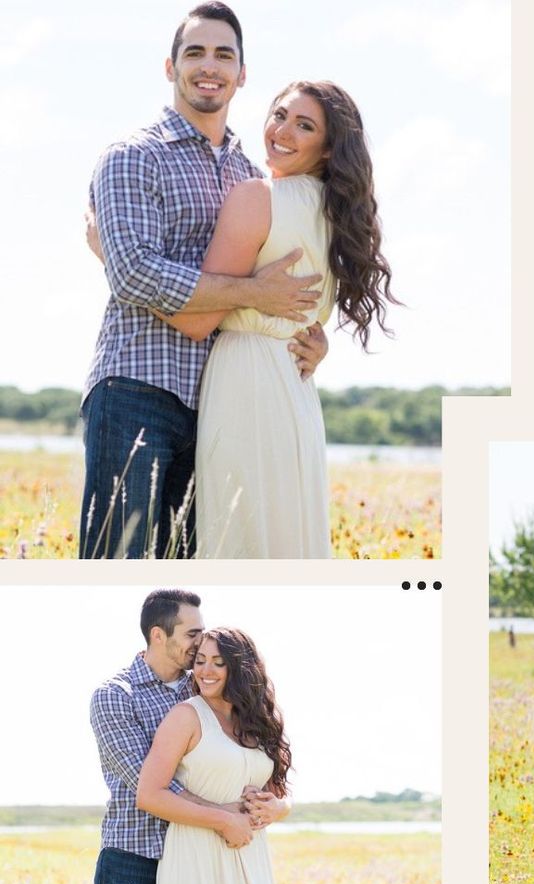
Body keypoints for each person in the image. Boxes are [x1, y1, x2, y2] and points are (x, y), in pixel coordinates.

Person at [81, 2, 329, 559]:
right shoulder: (131, 156)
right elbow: (134, 272)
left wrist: (313, 334)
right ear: (170, 68)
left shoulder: (255, 176)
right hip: (136, 387)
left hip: (223, 404)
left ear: (243, 75)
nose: (208, 66)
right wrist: (253, 292)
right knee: (117, 559)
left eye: (224, 54)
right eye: (194, 53)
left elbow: (290, 280)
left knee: (201, 560)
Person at [156, 79, 395, 557]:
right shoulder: (337, 217)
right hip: (296, 389)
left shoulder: (254, 198)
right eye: (280, 114)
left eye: (304, 125)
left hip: (245, 382)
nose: (282, 130)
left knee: (240, 531)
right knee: (287, 529)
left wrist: (114, 259)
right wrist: (319, 340)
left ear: (327, 150)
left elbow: (197, 321)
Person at [87, 589, 264, 884]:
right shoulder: (115, 695)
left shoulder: (202, 688)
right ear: (158, 635)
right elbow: (146, 783)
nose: (201, 644)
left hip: (191, 857)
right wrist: (225, 814)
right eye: (192, 634)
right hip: (129, 857)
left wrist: (266, 802)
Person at [137, 627, 292, 884]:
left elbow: (279, 794)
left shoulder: (259, 720)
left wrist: (280, 808)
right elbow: (149, 794)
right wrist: (224, 820)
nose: (206, 671)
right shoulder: (186, 717)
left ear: (241, 669)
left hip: (250, 863)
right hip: (196, 858)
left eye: (218, 663)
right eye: (200, 661)